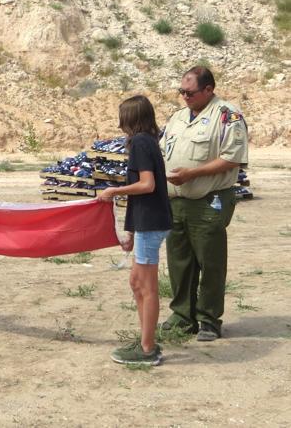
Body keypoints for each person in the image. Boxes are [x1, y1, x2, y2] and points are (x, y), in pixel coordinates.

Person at [160, 66, 249, 342]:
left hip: (209, 201)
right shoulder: (177, 117)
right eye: (181, 92)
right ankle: (183, 316)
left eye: (190, 92)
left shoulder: (226, 116)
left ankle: (209, 319)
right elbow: (164, 149)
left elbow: (232, 158)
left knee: (209, 261)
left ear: (208, 90)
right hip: (176, 201)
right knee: (179, 261)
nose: (184, 96)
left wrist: (192, 174)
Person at [98, 95, 171, 366]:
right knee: (136, 283)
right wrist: (130, 231)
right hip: (147, 223)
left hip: (151, 225)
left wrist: (114, 190)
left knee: (147, 287)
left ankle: (148, 348)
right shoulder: (147, 141)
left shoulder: (140, 142)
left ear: (130, 118)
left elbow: (147, 185)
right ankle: (146, 339)